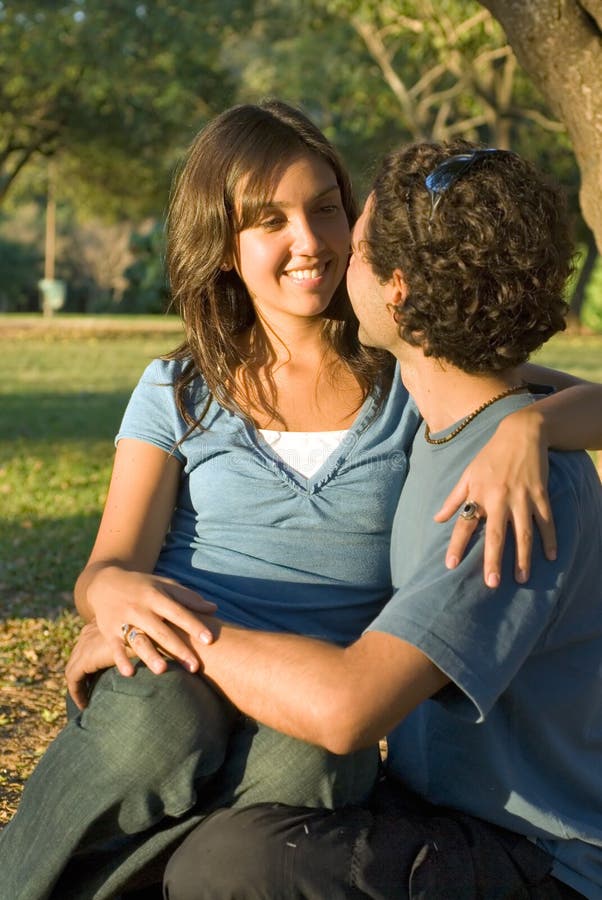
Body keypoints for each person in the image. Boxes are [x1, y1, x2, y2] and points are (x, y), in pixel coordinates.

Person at [1, 103, 600, 900]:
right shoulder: (179, 391)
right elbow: (111, 564)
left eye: (328, 209)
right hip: (179, 670)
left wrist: (528, 428)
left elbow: (562, 399)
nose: (314, 241)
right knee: (160, 723)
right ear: (222, 247)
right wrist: (109, 594)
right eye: (271, 220)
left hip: (323, 696)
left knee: (319, 761)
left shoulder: (414, 384)